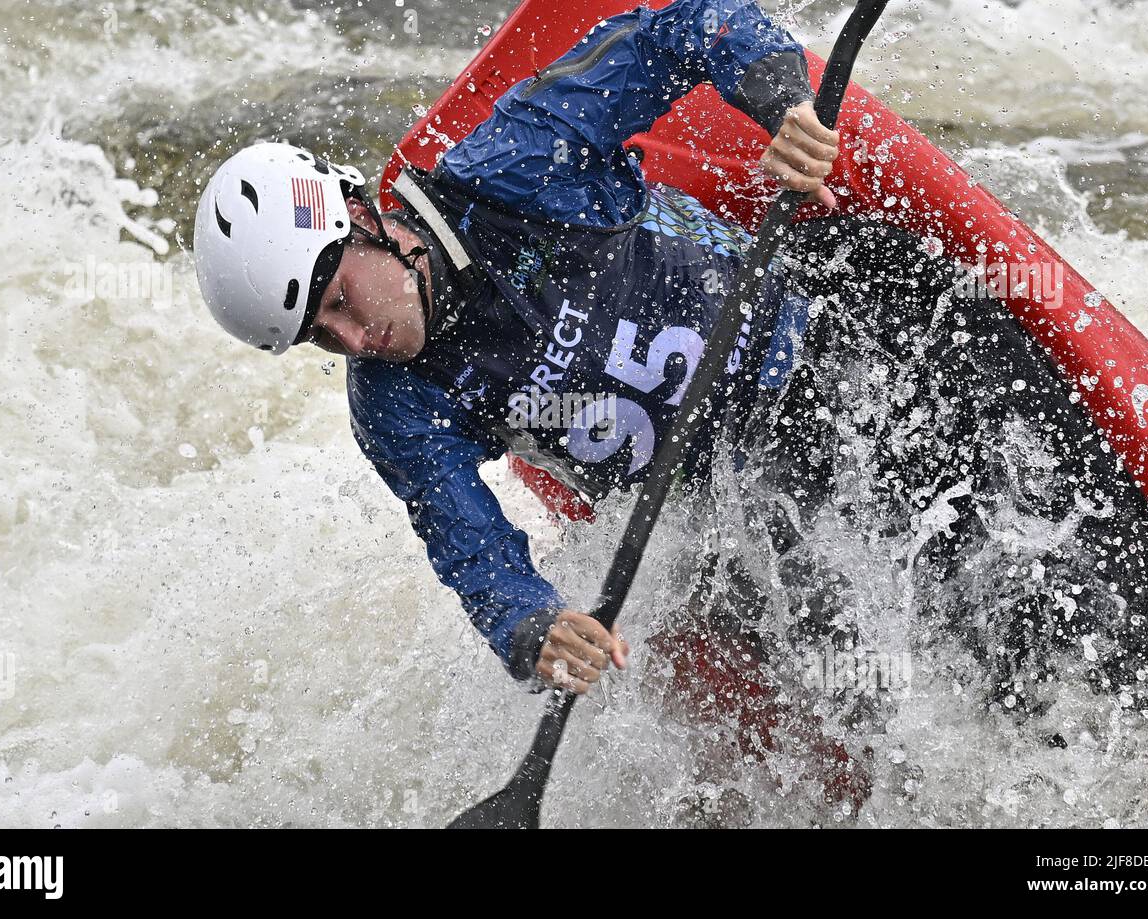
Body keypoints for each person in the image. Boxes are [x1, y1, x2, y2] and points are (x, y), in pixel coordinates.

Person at [193, 0, 842, 695]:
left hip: (818, 355)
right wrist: (534, 626)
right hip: (725, 514)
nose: (354, 340)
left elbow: (680, 27)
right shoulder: (393, 405)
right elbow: (471, 553)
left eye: (339, 299)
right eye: (319, 334)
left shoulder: (518, 164)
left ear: (358, 217)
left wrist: (781, 102)